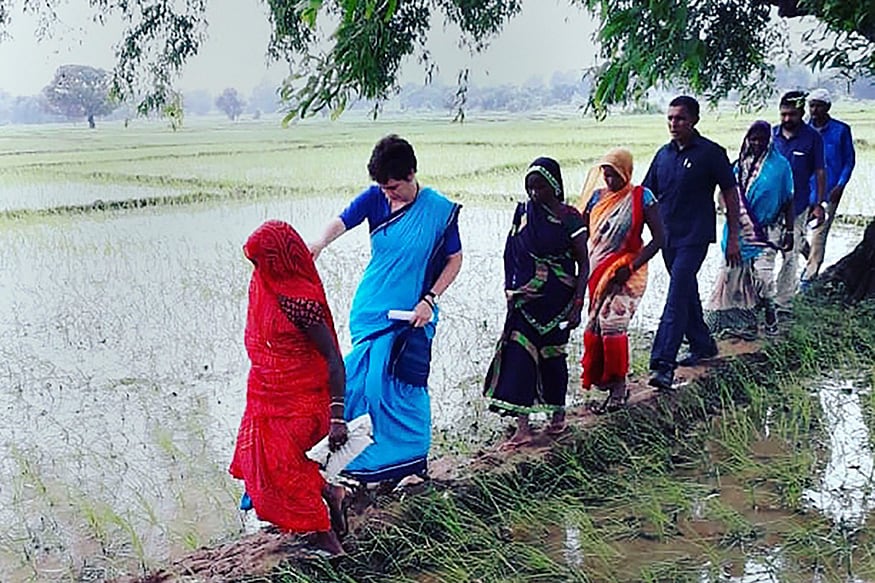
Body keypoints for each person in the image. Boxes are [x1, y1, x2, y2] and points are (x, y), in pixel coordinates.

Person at [309, 135, 462, 483]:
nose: (388, 194)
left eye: (393, 187)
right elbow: (342, 220)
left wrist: (430, 299)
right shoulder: (376, 199)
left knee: (407, 387)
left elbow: (454, 260)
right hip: (372, 311)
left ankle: (410, 460)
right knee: (361, 387)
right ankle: (359, 464)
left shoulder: (438, 211)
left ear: (411, 174)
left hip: (414, 317)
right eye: (382, 187)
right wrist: (319, 242)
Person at [230, 220, 349, 556]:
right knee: (258, 457)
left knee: (281, 463)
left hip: (305, 401)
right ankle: (331, 493)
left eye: (261, 263)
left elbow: (333, 359)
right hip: (267, 395)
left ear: (278, 260)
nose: (257, 270)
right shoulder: (264, 284)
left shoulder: (301, 302)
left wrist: (337, 416)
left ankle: (325, 539)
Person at [483, 157, 588, 446]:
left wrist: (578, 304)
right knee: (519, 357)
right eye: (530, 188)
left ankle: (557, 414)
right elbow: (510, 254)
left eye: (540, 187)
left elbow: (584, 264)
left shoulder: (570, 217)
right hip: (525, 300)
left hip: (558, 301)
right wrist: (509, 289)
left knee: (553, 359)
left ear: (554, 186)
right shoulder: (524, 215)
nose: (534, 194)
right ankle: (523, 426)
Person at [643, 95, 742, 391]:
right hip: (668, 238)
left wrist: (734, 236)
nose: (674, 124)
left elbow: (731, 196)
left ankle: (663, 365)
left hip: (695, 237)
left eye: (680, 118)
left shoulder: (711, 153)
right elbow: (646, 195)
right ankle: (703, 344)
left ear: (694, 120)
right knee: (685, 292)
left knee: (676, 295)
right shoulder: (663, 155)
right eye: (670, 118)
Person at [578, 148, 664, 413]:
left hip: (628, 272)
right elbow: (581, 234)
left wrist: (632, 265)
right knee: (597, 326)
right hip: (598, 272)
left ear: (626, 172)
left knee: (612, 323)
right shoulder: (595, 198)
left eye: (615, 174)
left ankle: (619, 388)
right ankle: (607, 381)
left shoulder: (642, 197)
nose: (609, 180)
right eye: (606, 174)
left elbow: (660, 238)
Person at [705, 121, 795, 338]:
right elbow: (724, 194)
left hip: (766, 231)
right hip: (737, 231)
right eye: (753, 138)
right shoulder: (737, 167)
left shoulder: (780, 166)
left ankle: (771, 313)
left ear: (769, 140)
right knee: (733, 278)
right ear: (747, 138)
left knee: (763, 277)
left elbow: (788, 200)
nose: (757, 143)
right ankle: (743, 324)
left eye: (762, 139)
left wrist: (790, 231)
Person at [772, 90, 826, 309]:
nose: (787, 119)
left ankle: (783, 302)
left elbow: (820, 172)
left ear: (802, 113)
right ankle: (761, 298)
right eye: (783, 114)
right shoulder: (771, 135)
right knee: (765, 252)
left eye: (792, 115)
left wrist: (819, 204)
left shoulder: (812, 138)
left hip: (799, 205)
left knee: (789, 254)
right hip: (770, 207)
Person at [803, 88, 856, 284]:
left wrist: (841, 185)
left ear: (828, 107)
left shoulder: (841, 130)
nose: (815, 110)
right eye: (812, 105)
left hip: (829, 191)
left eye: (819, 106)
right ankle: (811, 260)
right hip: (803, 191)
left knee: (819, 235)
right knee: (793, 232)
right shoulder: (803, 131)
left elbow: (849, 161)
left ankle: (808, 279)